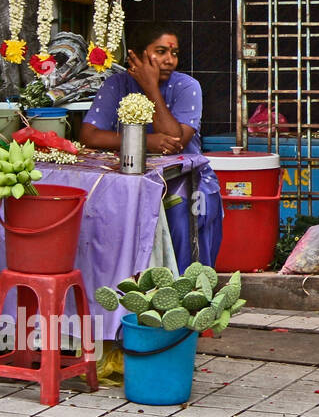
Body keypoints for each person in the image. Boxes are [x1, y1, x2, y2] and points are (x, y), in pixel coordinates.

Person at [79, 23, 223, 266]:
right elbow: (89, 135)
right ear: (135, 56)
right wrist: (146, 142)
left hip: (187, 184)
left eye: (174, 53)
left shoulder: (187, 86)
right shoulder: (116, 85)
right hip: (132, 182)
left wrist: (151, 88)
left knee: (179, 216)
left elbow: (175, 142)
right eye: (161, 51)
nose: (169, 60)